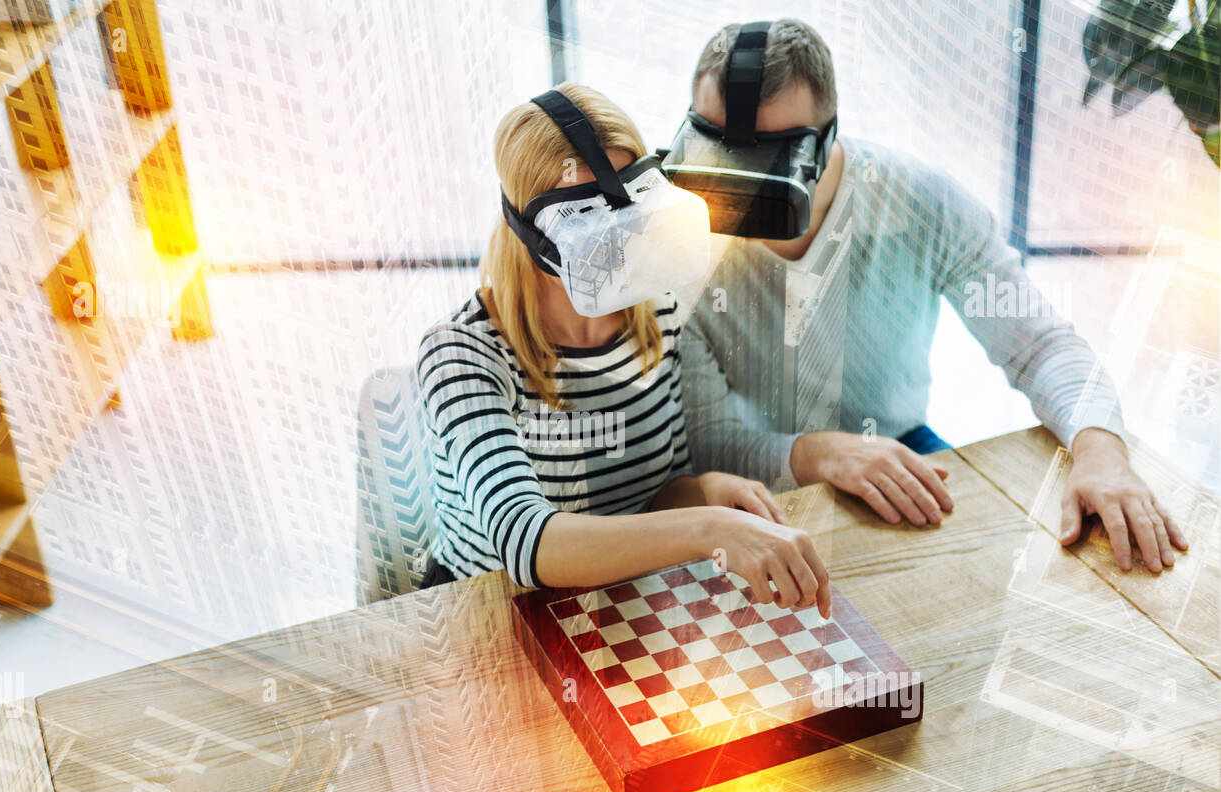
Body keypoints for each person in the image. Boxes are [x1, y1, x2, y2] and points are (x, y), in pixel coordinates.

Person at [675, 19, 1188, 574]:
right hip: (757, 479)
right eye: (716, 149)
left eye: (766, 161)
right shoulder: (679, 240)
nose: (732, 184)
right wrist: (819, 452)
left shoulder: (919, 201)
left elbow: (1040, 347)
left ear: (825, 139)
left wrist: (1101, 451)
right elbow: (708, 445)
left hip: (902, 444)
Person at [416, 82, 831, 613]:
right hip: (494, 623)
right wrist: (709, 526)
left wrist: (702, 490)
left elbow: (651, 498)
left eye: (631, 203)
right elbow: (529, 543)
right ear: (533, 230)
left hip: (620, 609)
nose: (617, 237)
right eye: (588, 220)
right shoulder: (460, 353)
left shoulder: (660, 314)